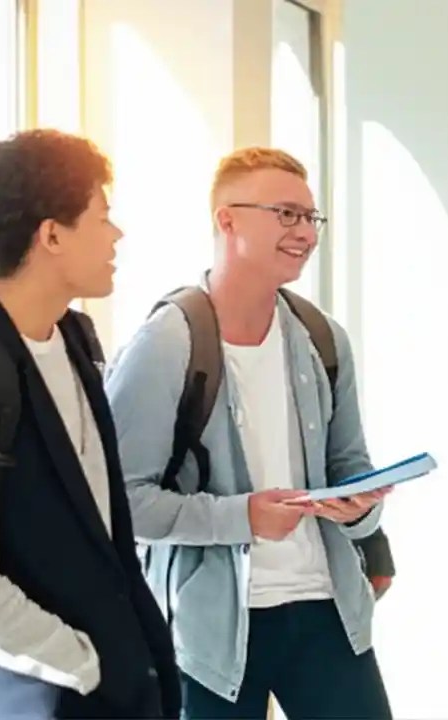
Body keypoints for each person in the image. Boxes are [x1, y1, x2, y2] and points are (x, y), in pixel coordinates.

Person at [104, 147, 392, 719]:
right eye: (286, 214)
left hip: (327, 613)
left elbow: (351, 465)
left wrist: (361, 507)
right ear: (226, 219)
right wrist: (243, 517)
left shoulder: (323, 339)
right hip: (211, 633)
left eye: (311, 218)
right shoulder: (166, 343)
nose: (305, 233)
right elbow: (122, 503)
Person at [0, 129, 179, 718]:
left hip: (111, 686)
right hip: (28, 693)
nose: (116, 235)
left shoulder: (76, 342)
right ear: (50, 234)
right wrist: (83, 662)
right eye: (102, 217)